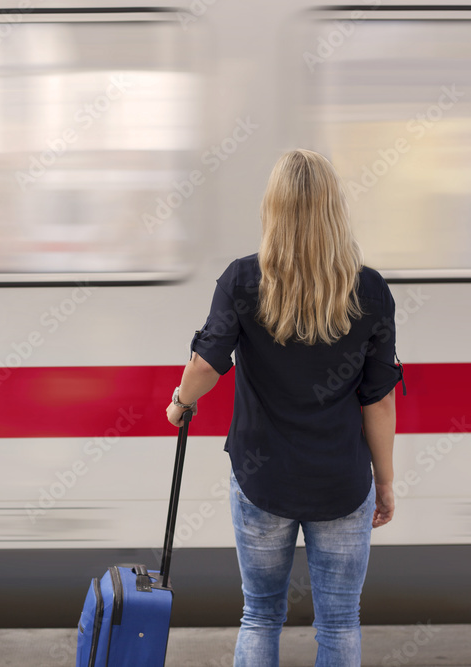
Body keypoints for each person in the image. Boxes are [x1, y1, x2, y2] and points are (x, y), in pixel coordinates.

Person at [165, 149, 404, 667]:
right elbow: (379, 399)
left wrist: (180, 403)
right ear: (334, 210)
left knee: (260, 614)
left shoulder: (244, 280)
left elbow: (207, 363)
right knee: (340, 620)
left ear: (273, 209)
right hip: (342, 480)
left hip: (262, 478)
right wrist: (383, 482)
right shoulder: (368, 289)